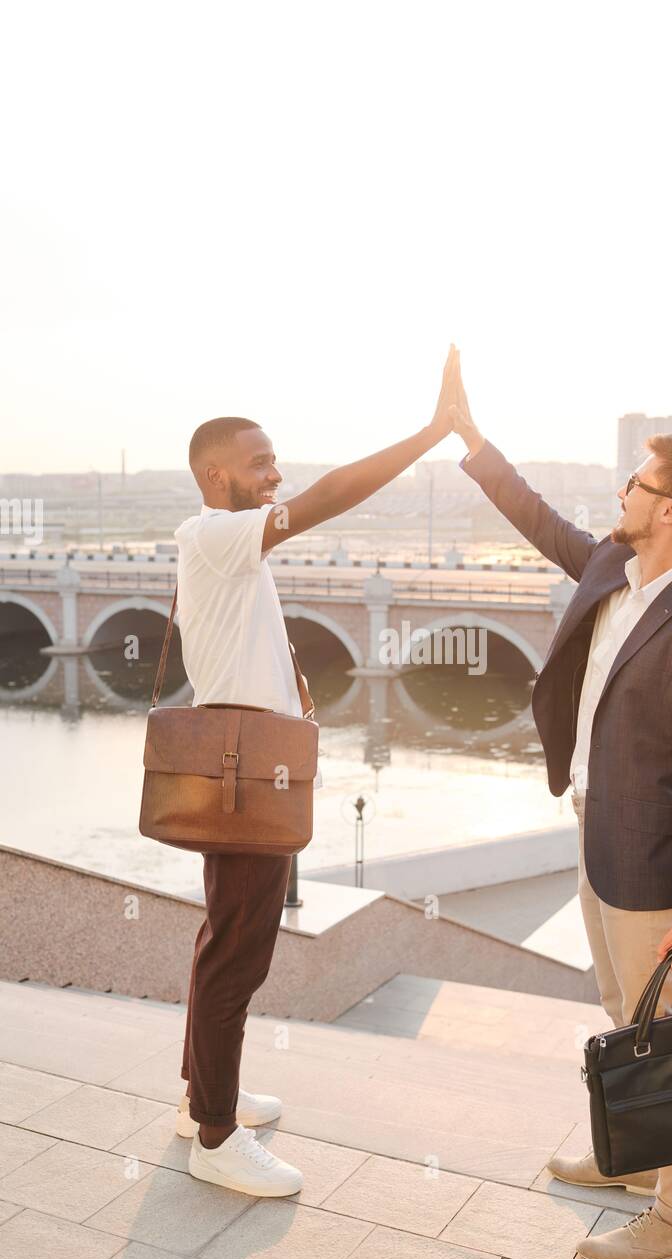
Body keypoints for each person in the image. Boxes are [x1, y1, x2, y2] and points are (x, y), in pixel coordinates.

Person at [448, 358, 672, 1259]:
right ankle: (631, 1165)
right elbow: (538, 517)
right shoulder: (612, 565)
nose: (620, 491)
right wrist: (472, 440)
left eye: (638, 481)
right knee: (624, 1010)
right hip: (596, 831)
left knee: (665, 1033)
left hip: (655, 864)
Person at [171, 345, 461, 1197]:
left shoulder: (223, 545)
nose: (275, 476)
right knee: (237, 955)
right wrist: (427, 434)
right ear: (216, 474)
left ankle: (202, 1099)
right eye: (260, 464)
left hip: (255, 770)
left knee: (223, 942)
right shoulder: (220, 534)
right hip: (246, 780)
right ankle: (218, 1141)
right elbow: (330, 495)